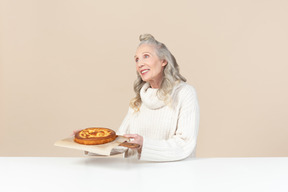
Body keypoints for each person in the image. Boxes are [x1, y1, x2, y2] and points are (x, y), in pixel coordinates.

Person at [117, 34, 200, 161]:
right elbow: (120, 141)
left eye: (146, 56)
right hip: (136, 176)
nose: (140, 64)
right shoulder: (140, 99)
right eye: (137, 59)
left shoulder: (184, 93)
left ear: (163, 61)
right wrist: (88, 142)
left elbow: (185, 143)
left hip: (172, 176)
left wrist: (144, 145)